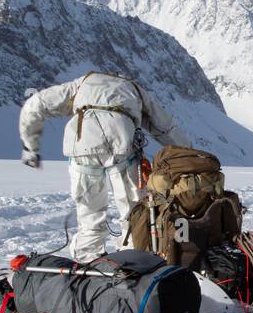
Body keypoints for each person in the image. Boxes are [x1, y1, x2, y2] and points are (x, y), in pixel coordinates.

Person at [19, 71, 192, 261]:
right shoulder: (135, 89)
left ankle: (89, 259)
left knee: (89, 211)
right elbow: (165, 127)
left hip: (81, 142)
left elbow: (35, 105)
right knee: (132, 209)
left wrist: (30, 147)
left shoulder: (81, 83)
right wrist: (190, 155)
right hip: (121, 142)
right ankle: (132, 257)